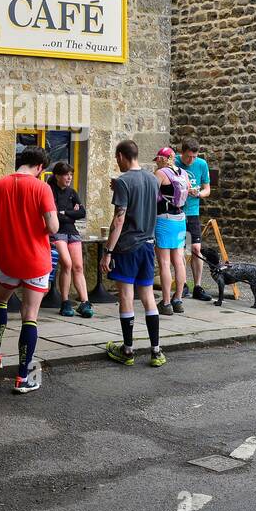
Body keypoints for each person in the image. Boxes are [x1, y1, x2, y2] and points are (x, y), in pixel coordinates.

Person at [0, 145, 59, 394]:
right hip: (36, 260)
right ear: (41, 167)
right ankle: (23, 377)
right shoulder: (42, 188)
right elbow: (53, 227)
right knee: (29, 315)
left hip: (9, 259)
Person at [101, 139, 165, 368]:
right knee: (148, 298)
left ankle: (127, 350)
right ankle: (156, 351)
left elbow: (119, 219)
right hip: (148, 244)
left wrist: (107, 252)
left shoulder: (123, 181)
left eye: (116, 158)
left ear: (121, 156)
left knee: (126, 297)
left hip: (127, 246)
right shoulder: (152, 178)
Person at [49, 161, 93, 318]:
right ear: (57, 176)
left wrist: (64, 213)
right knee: (66, 264)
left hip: (72, 232)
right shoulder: (50, 191)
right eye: (66, 175)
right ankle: (65, 302)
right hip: (57, 233)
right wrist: (69, 213)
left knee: (78, 267)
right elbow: (54, 215)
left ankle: (84, 302)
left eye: (71, 175)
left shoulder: (72, 192)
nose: (69, 178)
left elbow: (82, 212)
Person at [153, 146, 190, 316]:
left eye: (158, 160)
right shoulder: (183, 173)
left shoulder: (160, 174)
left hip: (164, 220)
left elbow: (151, 196)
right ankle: (178, 299)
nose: (157, 163)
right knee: (179, 261)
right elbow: (188, 191)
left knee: (165, 263)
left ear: (162, 159)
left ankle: (166, 302)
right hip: (180, 219)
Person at [177, 137, 212, 300]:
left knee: (196, 249)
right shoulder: (175, 162)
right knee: (180, 250)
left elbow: (207, 189)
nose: (191, 160)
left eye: (194, 157)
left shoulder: (201, 164)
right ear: (181, 152)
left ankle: (197, 286)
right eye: (188, 157)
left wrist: (198, 193)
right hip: (176, 212)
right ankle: (182, 285)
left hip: (192, 212)